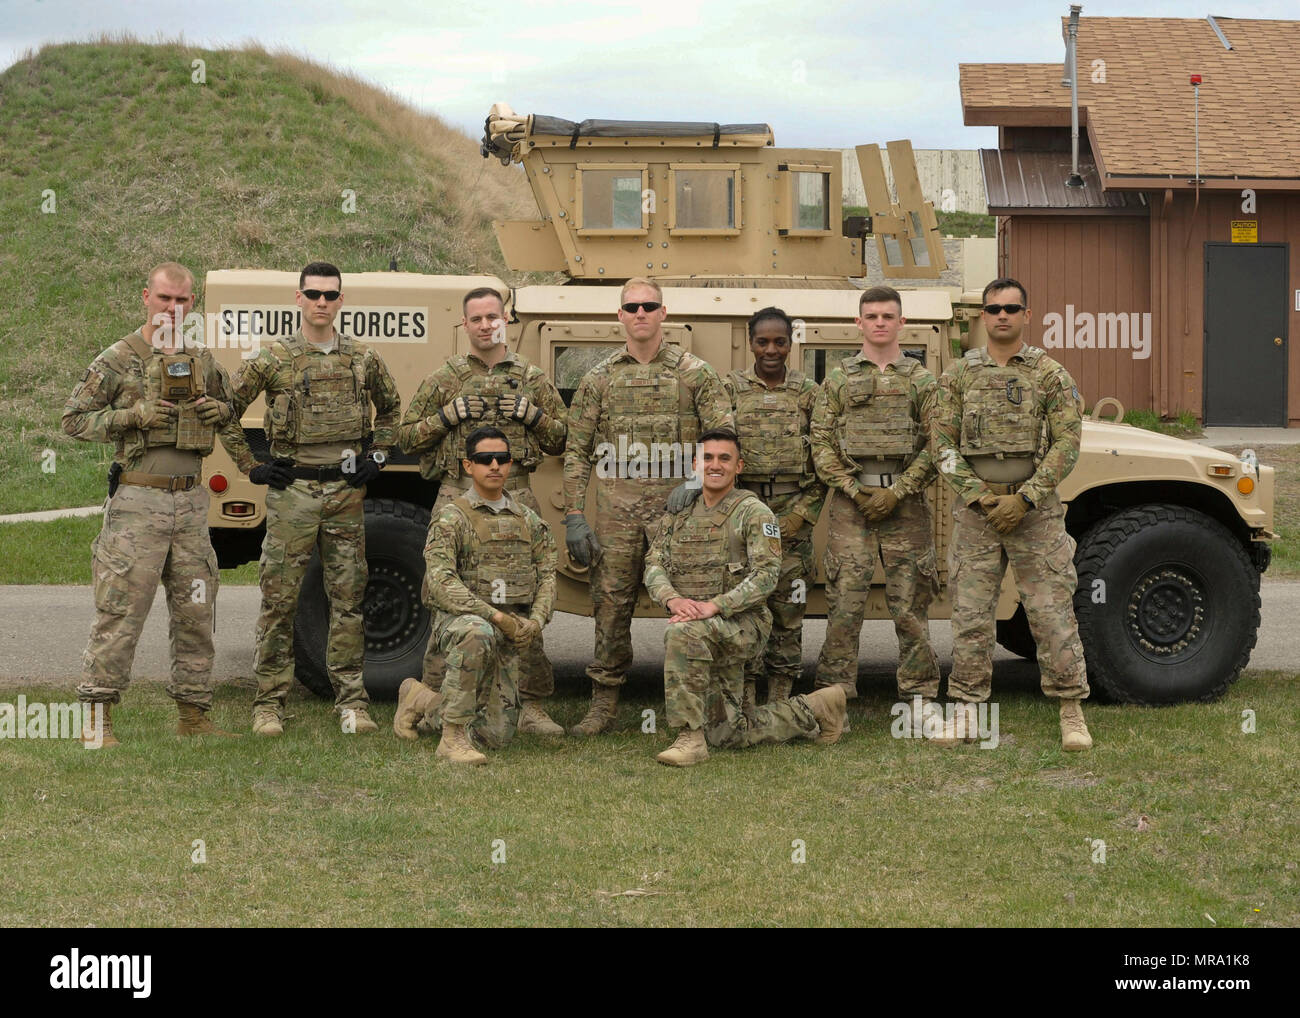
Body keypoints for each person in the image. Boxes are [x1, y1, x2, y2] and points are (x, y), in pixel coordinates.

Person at [220, 261, 401, 736]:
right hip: (293, 492)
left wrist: (378, 457)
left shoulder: (363, 358)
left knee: (349, 597)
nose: (322, 302)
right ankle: (269, 703)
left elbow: (392, 408)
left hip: (345, 491)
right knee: (279, 599)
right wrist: (251, 466)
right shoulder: (273, 358)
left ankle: (352, 701)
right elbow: (225, 411)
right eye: (314, 294)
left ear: (342, 301)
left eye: (331, 294)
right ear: (298, 299)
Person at [62, 261, 240, 744]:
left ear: (193, 304)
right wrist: (131, 416)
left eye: (182, 300)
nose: (173, 308)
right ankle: (98, 720)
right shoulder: (120, 358)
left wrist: (218, 409)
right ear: (146, 297)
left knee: (196, 613)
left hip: (190, 504)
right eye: (164, 299)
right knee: (120, 611)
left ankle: (193, 716)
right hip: (138, 504)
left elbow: (233, 410)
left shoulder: (202, 361)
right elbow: (74, 419)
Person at [562, 277, 733, 736]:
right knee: (611, 604)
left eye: (648, 305)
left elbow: (724, 438)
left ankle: (700, 702)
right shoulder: (599, 378)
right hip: (616, 508)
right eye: (631, 306)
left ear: (663, 313)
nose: (640, 313)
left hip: (679, 511)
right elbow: (577, 451)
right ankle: (604, 704)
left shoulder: (695, 372)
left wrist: (697, 480)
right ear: (619, 315)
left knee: (692, 601)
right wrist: (575, 515)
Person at [396, 287, 567, 736]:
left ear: (505, 318)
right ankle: (433, 690)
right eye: (477, 319)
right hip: (456, 497)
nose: (486, 325)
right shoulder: (445, 378)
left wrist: (533, 416)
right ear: (465, 325)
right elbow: (408, 437)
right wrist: (447, 416)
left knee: (522, 593)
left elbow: (563, 439)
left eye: (493, 316)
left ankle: (529, 704)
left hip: (518, 498)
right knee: (446, 593)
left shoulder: (531, 377)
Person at [933, 277, 1093, 750]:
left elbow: (1068, 443)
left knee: (1051, 612)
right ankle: (966, 712)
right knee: (970, 614)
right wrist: (983, 498)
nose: (1002, 315)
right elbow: (941, 445)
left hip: (1035, 511)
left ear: (1027, 315)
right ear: (983, 316)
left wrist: (1024, 499)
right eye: (993, 308)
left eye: (1011, 308)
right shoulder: (958, 376)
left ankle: (1071, 712)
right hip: (976, 513)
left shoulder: (1049, 375)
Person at [645, 431, 847, 766]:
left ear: (739, 466)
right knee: (727, 733)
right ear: (695, 464)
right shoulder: (678, 513)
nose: (715, 465)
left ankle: (689, 739)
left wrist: (715, 606)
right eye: (707, 458)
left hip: (742, 625)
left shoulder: (754, 513)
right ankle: (816, 708)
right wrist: (672, 600)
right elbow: (654, 563)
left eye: (724, 459)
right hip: (698, 621)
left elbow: (767, 575)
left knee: (681, 633)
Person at [667, 307, 826, 710]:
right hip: (742, 513)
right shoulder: (731, 388)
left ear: (791, 344)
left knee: (788, 607)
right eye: (762, 341)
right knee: (744, 602)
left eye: (780, 342)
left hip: (792, 511)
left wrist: (801, 515)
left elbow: (825, 459)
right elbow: (715, 444)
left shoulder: (809, 392)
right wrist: (693, 485)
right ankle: (744, 694)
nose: (771, 350)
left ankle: (781, 694)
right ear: (750, 342)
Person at [809, 285, 943, 734]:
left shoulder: (922, 381)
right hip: (853, 507)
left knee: (910, 606)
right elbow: (821, 442)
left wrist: (900, 490)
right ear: (859, 323)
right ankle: (834, 699)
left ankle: (920, 697)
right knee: (845, 605)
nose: (880, 323)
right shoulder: (840, 379)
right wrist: (853, 488)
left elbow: (936, 443)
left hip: (906, 508)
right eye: (872, 316)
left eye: (888, 316)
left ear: (901, 323)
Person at [393, 427, 557, 765]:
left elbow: (547, 578)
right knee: (476, 631)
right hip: (461, 625)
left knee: (493, 735)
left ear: (511, 464)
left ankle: (419, 699)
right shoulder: (451, 518)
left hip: (510, 633)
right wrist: (495, 617)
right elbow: (441, 583)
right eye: (485, 459)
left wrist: (535, 621)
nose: (494, 465)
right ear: (469, 466)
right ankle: (451, 739)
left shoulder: (528, 521)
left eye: (502, 459)